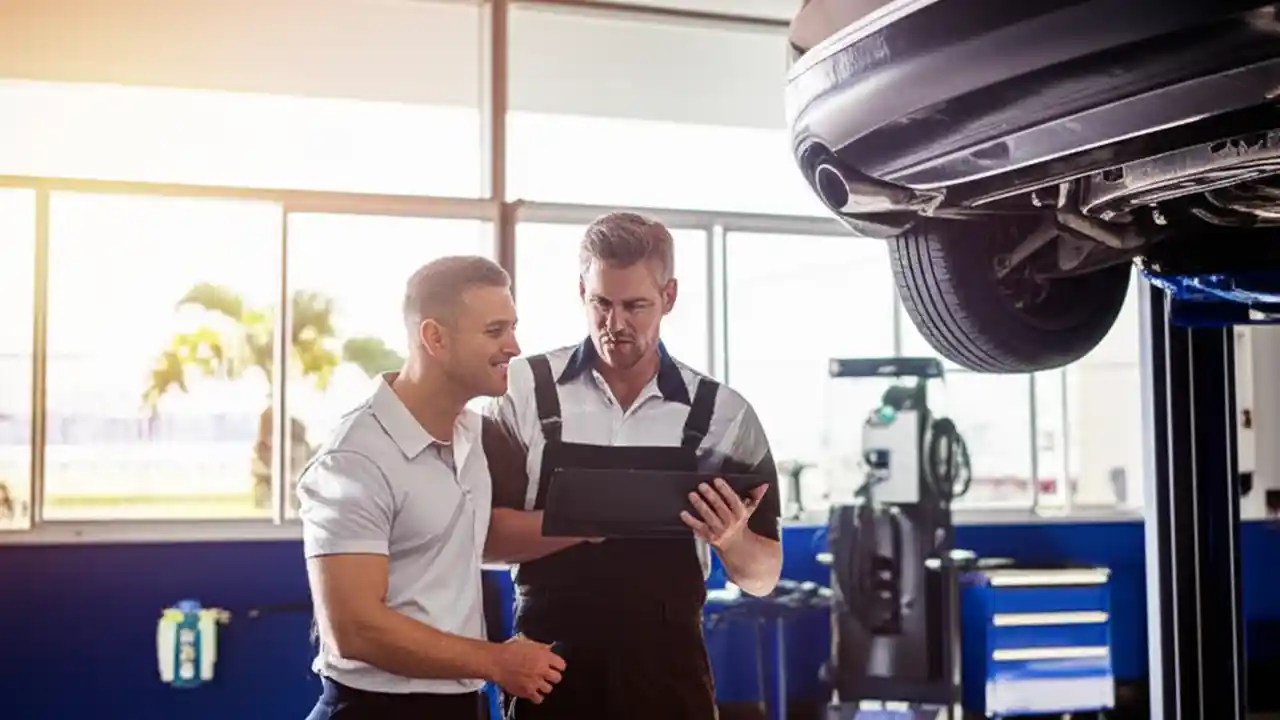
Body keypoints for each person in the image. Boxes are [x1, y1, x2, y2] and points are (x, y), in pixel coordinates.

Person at [482, 212, 784, 720]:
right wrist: (593, 521)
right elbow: (483, 539)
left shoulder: (722, 415)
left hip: (668, 679)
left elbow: (764, 576)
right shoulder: (522, 393)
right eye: (601, 303)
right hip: (547, 676)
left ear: (669, 296)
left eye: (635, 305)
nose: (614, 324)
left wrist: (731, 538)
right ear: (581, 291)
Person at [298, 256, 566, 720]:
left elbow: (468, 543)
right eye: (494, 331)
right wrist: (497, 661)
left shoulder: (471, 435)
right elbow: (355, 628)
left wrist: (599, 520)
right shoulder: (354, 458)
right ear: (435, 338)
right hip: (373, 710)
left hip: (462, 705)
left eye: (512, 328)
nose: (514, 346)